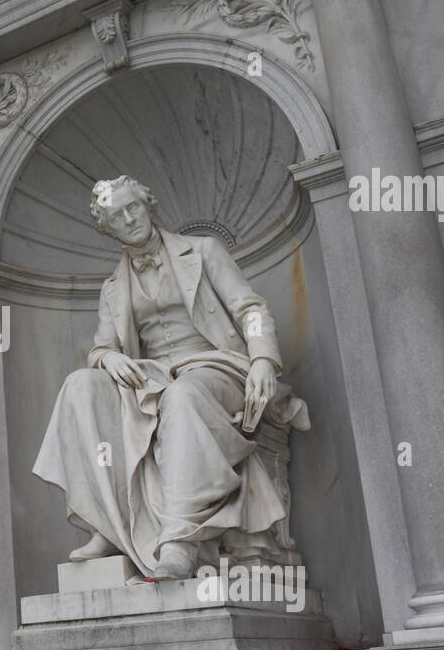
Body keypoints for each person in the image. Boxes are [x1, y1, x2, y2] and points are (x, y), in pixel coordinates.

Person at [34, 176, 308, 581]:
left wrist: (264, 358)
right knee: (80, 386)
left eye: (133, 208)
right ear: (107, 228)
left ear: (149, 206)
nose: (129, 219)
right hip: (155, 378)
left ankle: (179, 543)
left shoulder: (203, 251)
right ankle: (109, 525)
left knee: (181, 396)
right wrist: (107, 359)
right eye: (117, 216)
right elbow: (102, 346)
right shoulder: (112, 288)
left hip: (218, 367)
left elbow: (250, 309)